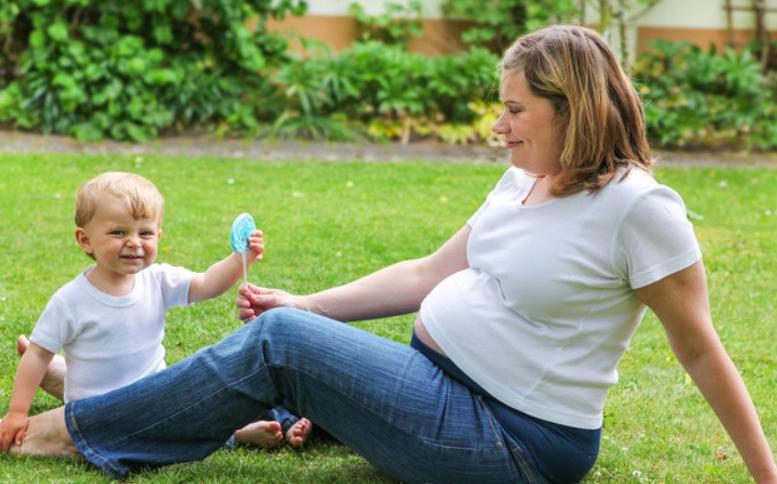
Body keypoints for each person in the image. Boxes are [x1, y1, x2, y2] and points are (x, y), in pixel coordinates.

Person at [4, 25, 776, 483]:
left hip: (512, 443)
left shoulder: (639, 211)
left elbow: (700, 351)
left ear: (574, 108)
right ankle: (112, 389)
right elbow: (428, 275)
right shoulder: (521, 182)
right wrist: (304, 302)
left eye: (514, 110)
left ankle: (75, 428)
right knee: (283, 342)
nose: (497, 128)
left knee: (278, 348)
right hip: (441, 385)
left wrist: (764, 475)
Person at [0, 171, 311, 452]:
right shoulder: (71, 301)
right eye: (119, 233)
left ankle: (277, 420)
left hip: (158, 396)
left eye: (145, 233)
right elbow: (37, 355)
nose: (134, 243)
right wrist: (17, 412)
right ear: (85, 240)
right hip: (102, 414)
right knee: (166, 432)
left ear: (158, 236)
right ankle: (239, 435)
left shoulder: (157, 280)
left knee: (214, 389)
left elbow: (206, 284)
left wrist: (238, 258)